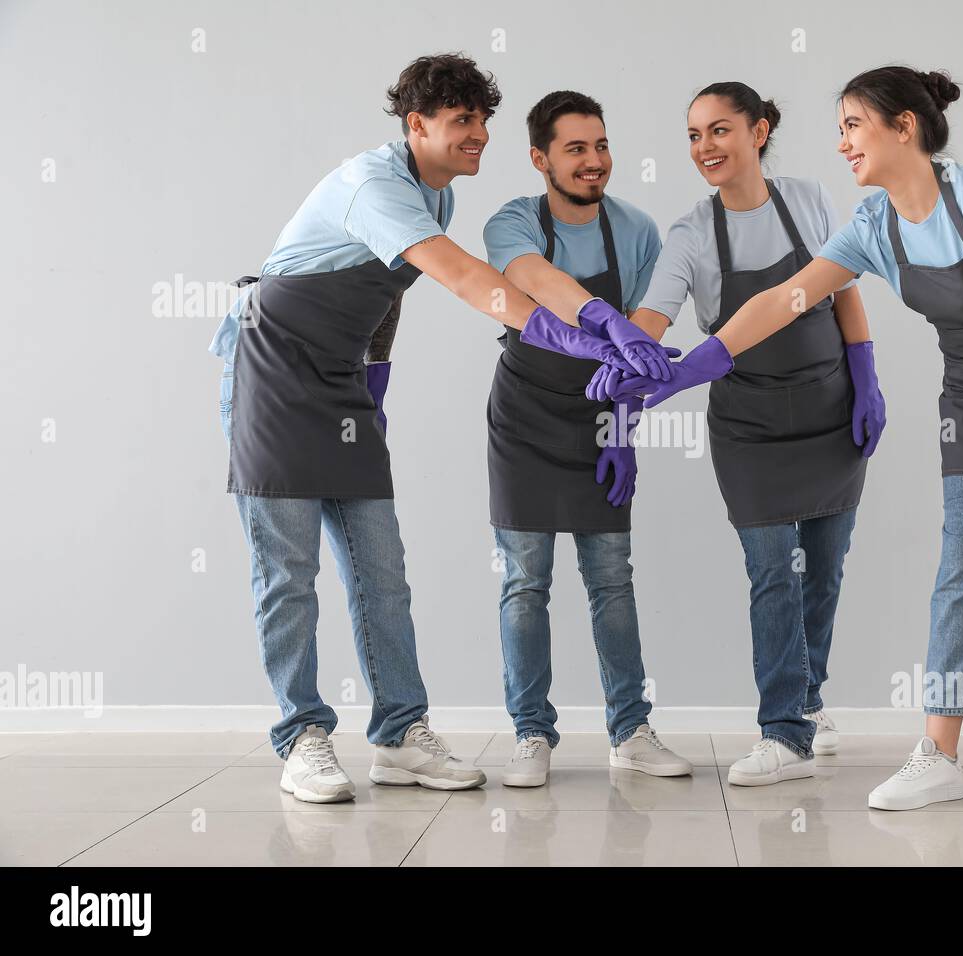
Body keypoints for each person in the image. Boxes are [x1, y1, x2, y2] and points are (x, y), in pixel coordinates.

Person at [631, 67, 963, 813]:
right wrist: (694, 367)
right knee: (960, 568)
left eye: (855, 124)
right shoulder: (873, 223)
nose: (842, 142)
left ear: (905, 128)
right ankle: (940, 752)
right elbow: (786, 297)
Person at [210, 54, 660, 803]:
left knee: (381, 572)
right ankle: (303, 738)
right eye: (462, 122)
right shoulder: (375, 184)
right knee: (288, 575)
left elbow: (389, 295)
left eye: (483, 120)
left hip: (343, 384)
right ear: (416, 126)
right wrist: (577, 335)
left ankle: (398, 735)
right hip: (275, 375)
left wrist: (375, 378)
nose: (478, 134)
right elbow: (466, 279)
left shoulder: (436, 193)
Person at [591, 82, 886, 787]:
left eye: (718, 130)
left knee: (824, 570)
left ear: (758, 132)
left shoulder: (810, 199)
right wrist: (622, 373)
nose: (704, 149)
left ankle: (808, 699)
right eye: (693, 136)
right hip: (749, 430)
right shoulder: (692, 234)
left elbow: (844, 289)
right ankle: (782, 733)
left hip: (830, 414)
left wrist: (867, 377)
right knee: (771, 573)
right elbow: (653, 321)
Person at [480, 90, 693, 786]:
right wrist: (602, 316)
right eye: (576, 149)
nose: (594, 161)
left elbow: (643, 336)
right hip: (525, 415)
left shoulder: (635, 230)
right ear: (540, 158)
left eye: (601, 146)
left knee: (611, 578)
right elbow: (534, 280)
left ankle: (630, 729)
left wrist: (622, 430)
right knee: (525, 580)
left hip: (599, 411)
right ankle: (531, 736)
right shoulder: (513, 222)